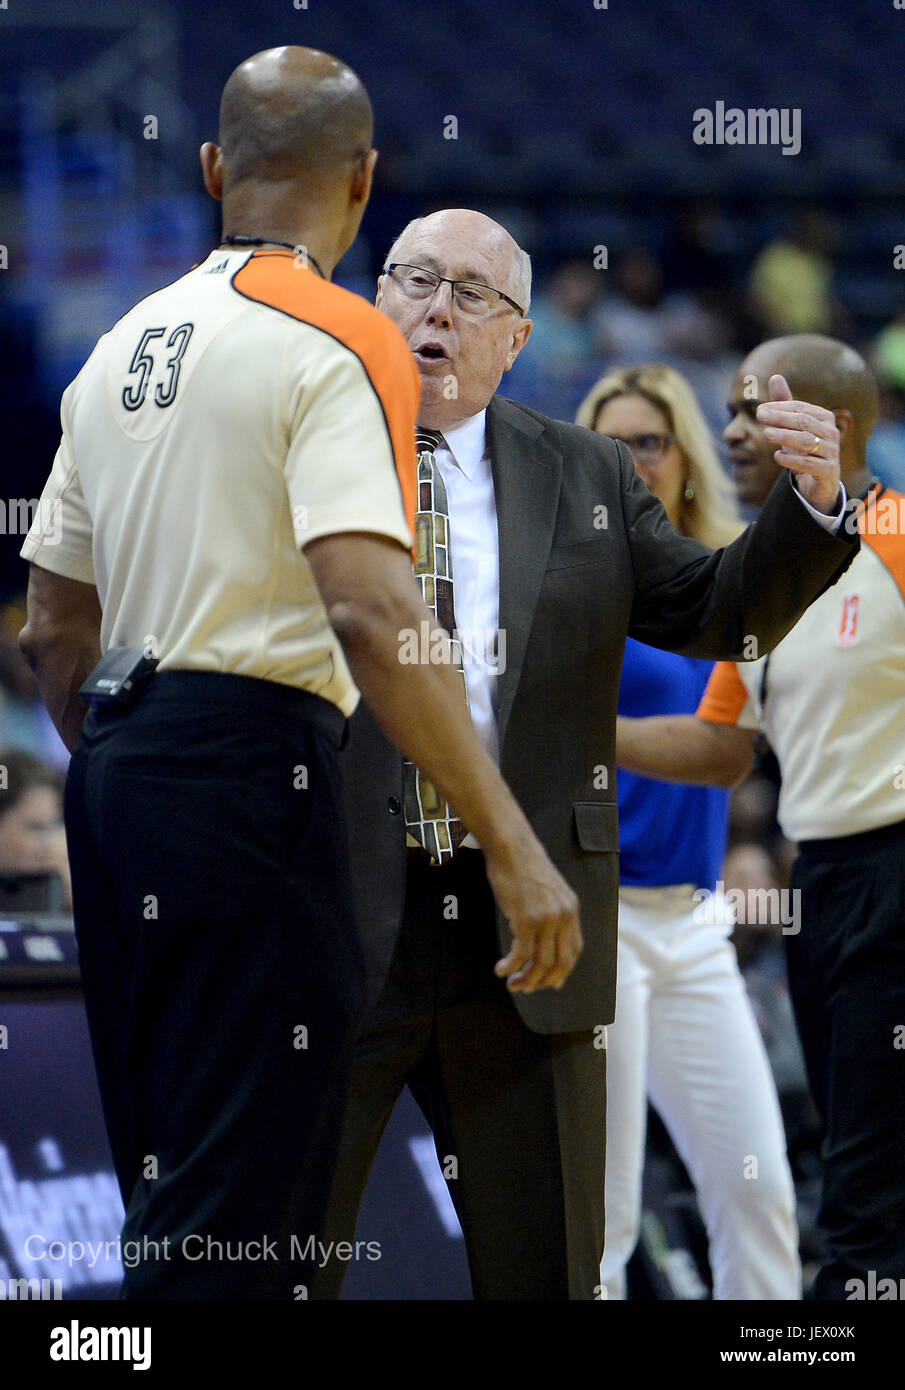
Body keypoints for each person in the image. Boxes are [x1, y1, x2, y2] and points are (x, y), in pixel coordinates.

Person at [16, 50, 580, 1300]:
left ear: (214, 171)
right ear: (364, 182)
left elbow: (51, 630)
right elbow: (373, 612)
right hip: (250, 777)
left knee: (173, 1201)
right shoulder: (346, 334)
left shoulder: (116, 346)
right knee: (246, 1227)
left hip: (114, 780)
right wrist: (510, 839)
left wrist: (134, 760)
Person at [313, 208, 858, 1301]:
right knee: (284, 1252)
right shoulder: (306, 440)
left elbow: (718, 614)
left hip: (533, 919)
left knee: (550, 1268)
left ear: (515, 338)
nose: (434, 308)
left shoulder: (584, 474)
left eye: (470, 295)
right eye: (413, 279)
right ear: (374, 300)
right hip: (339, 909)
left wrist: (810, 509)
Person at [615, 333, 905, 1300]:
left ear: (835, 425)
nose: (730, 430)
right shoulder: (760, 573)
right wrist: (575, 733)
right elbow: (717, 750)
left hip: (893, 870)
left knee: (861, 1200)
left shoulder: (900, 532)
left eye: (754, 408)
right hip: (819, 884)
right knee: (851, 1159)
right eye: (731, 411)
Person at [575, 364, 800, 1300]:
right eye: (611, 443)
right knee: (605, 1214)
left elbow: (736, 751)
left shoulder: (719, 579)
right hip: (600, 917)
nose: (632, 460)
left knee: (759, 1190)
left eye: (651, 442)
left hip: (697, 921)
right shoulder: (568, 581)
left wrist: (750, 832)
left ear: (684, 458)